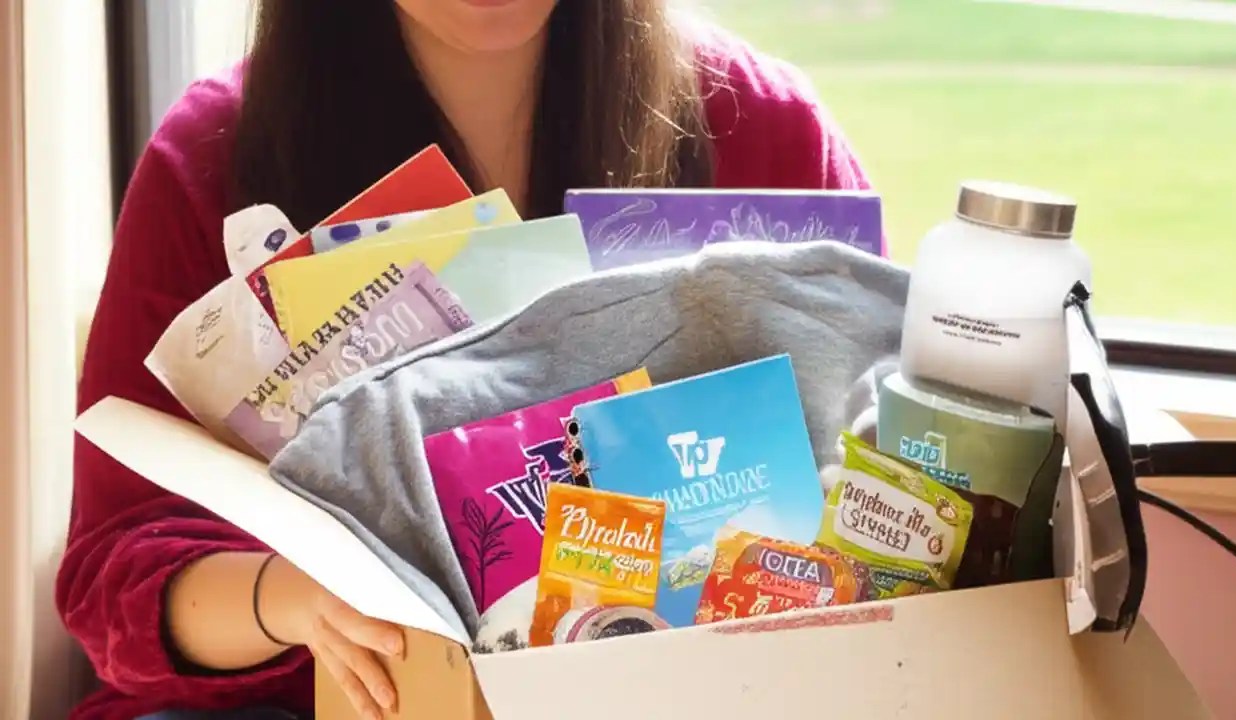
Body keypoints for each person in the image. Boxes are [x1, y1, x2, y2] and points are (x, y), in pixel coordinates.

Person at [57, 1, 876, 719]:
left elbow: (894, 464)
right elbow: (115, 570)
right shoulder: (216, 154)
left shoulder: (766, 129)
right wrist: (293, 599)